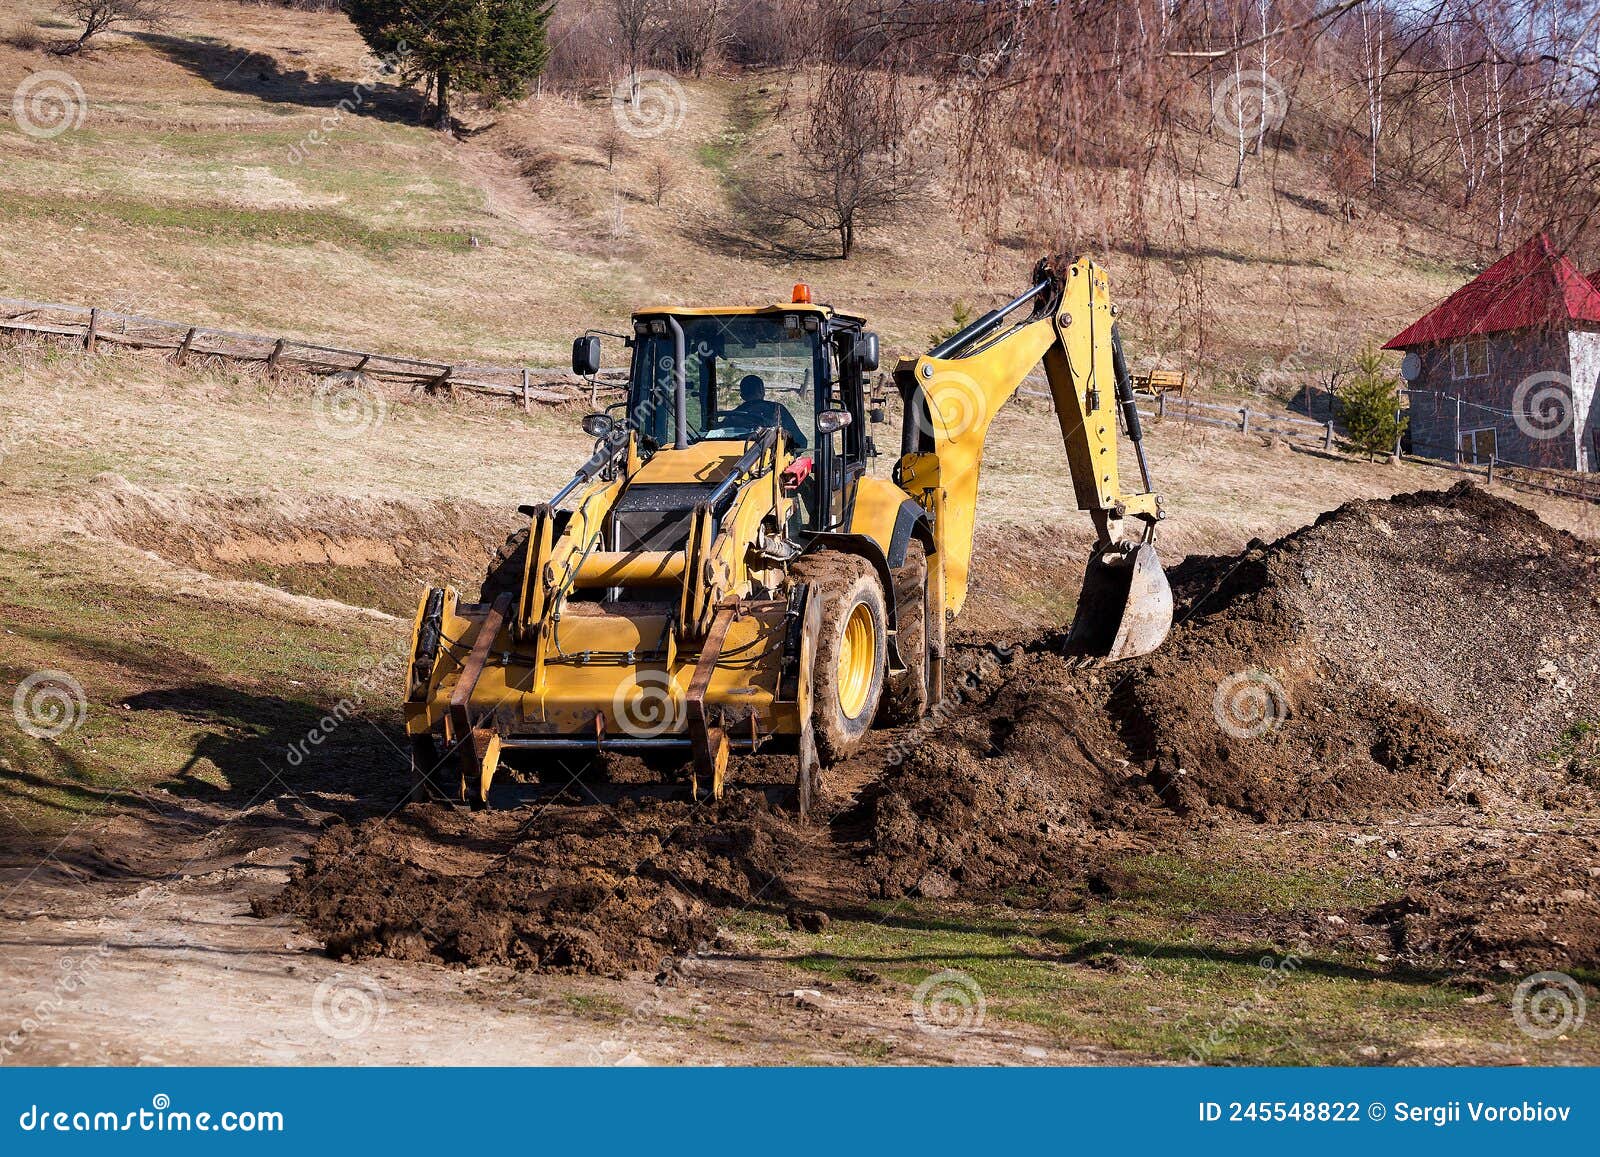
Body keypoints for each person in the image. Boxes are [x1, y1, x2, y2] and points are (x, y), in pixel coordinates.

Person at [725, 374, 807, 448]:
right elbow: (801, 442)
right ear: (762, 392)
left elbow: (719, 434)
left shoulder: (733, 415)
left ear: (742, 395)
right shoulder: (777, 410)